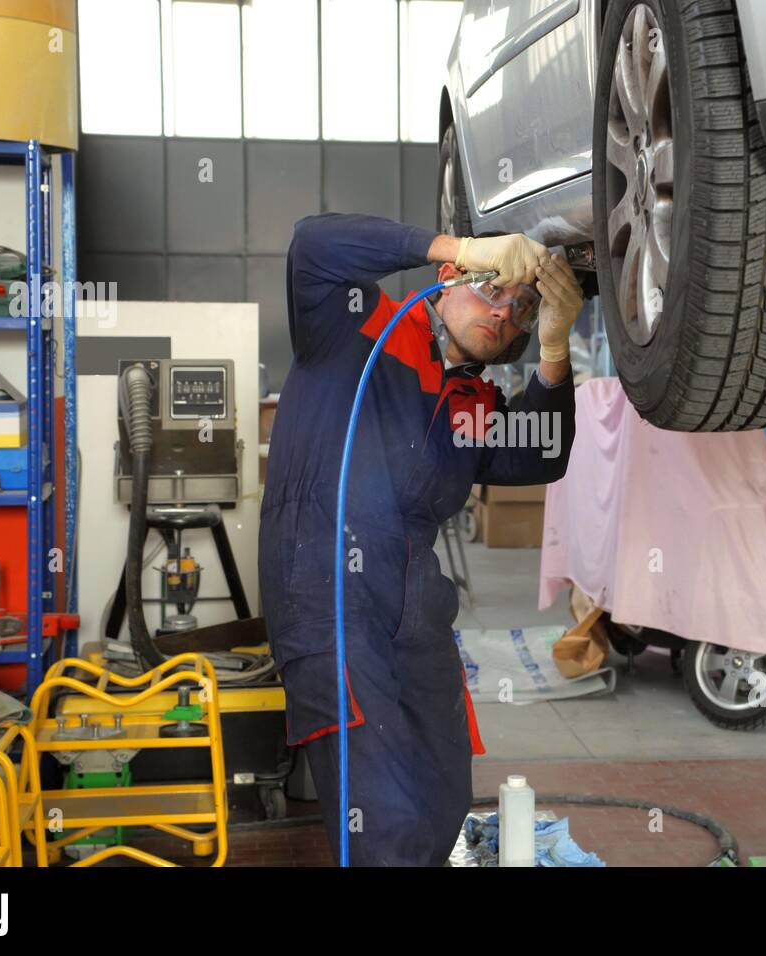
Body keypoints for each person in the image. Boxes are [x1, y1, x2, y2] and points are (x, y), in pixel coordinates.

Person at [259, 213, 582, 865]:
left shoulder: (473, 403)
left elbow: (539, 455)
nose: (504, 312)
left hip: (416, 619)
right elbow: (313, 243)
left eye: (521, 308)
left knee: (441, 806)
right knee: (385, 823)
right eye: (494, 288)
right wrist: (467, 243)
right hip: (330, 608)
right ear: (448, 278)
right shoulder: (355, 327)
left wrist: (555, 346)